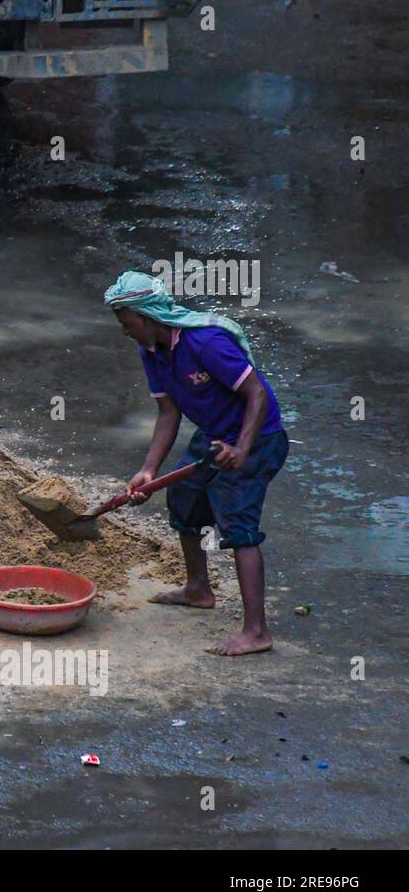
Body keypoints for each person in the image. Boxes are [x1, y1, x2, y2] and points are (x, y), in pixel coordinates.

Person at [106, 271, 288, 656]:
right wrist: (149, 470)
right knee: (185, 498)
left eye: (127, 324)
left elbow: (257, 394)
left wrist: (241, 448)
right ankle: (198, 589)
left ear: (147, 317)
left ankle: (257, 631)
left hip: (259, 439)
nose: (124, 332)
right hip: (212, 435)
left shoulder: (205, 344)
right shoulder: (151, 352)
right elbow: (168, 412)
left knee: (238, 524)